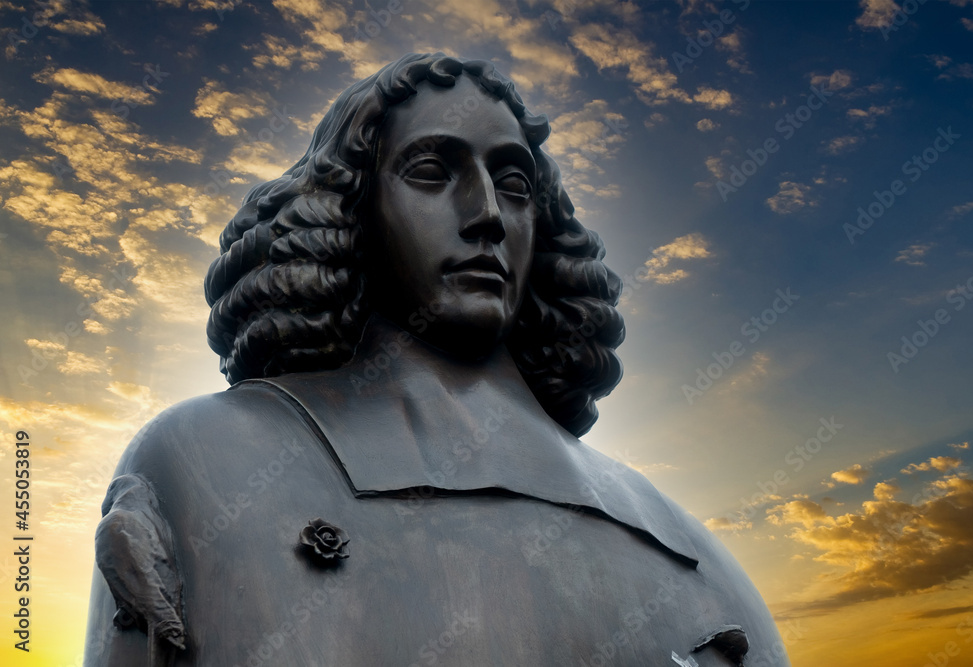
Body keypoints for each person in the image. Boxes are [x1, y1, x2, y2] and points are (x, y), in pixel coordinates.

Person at [85, 53, 790, 667]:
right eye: (431, 170)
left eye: (514, 184)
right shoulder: (207, 462)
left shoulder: (693, 557)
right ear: (354, 205)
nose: (484, 211)